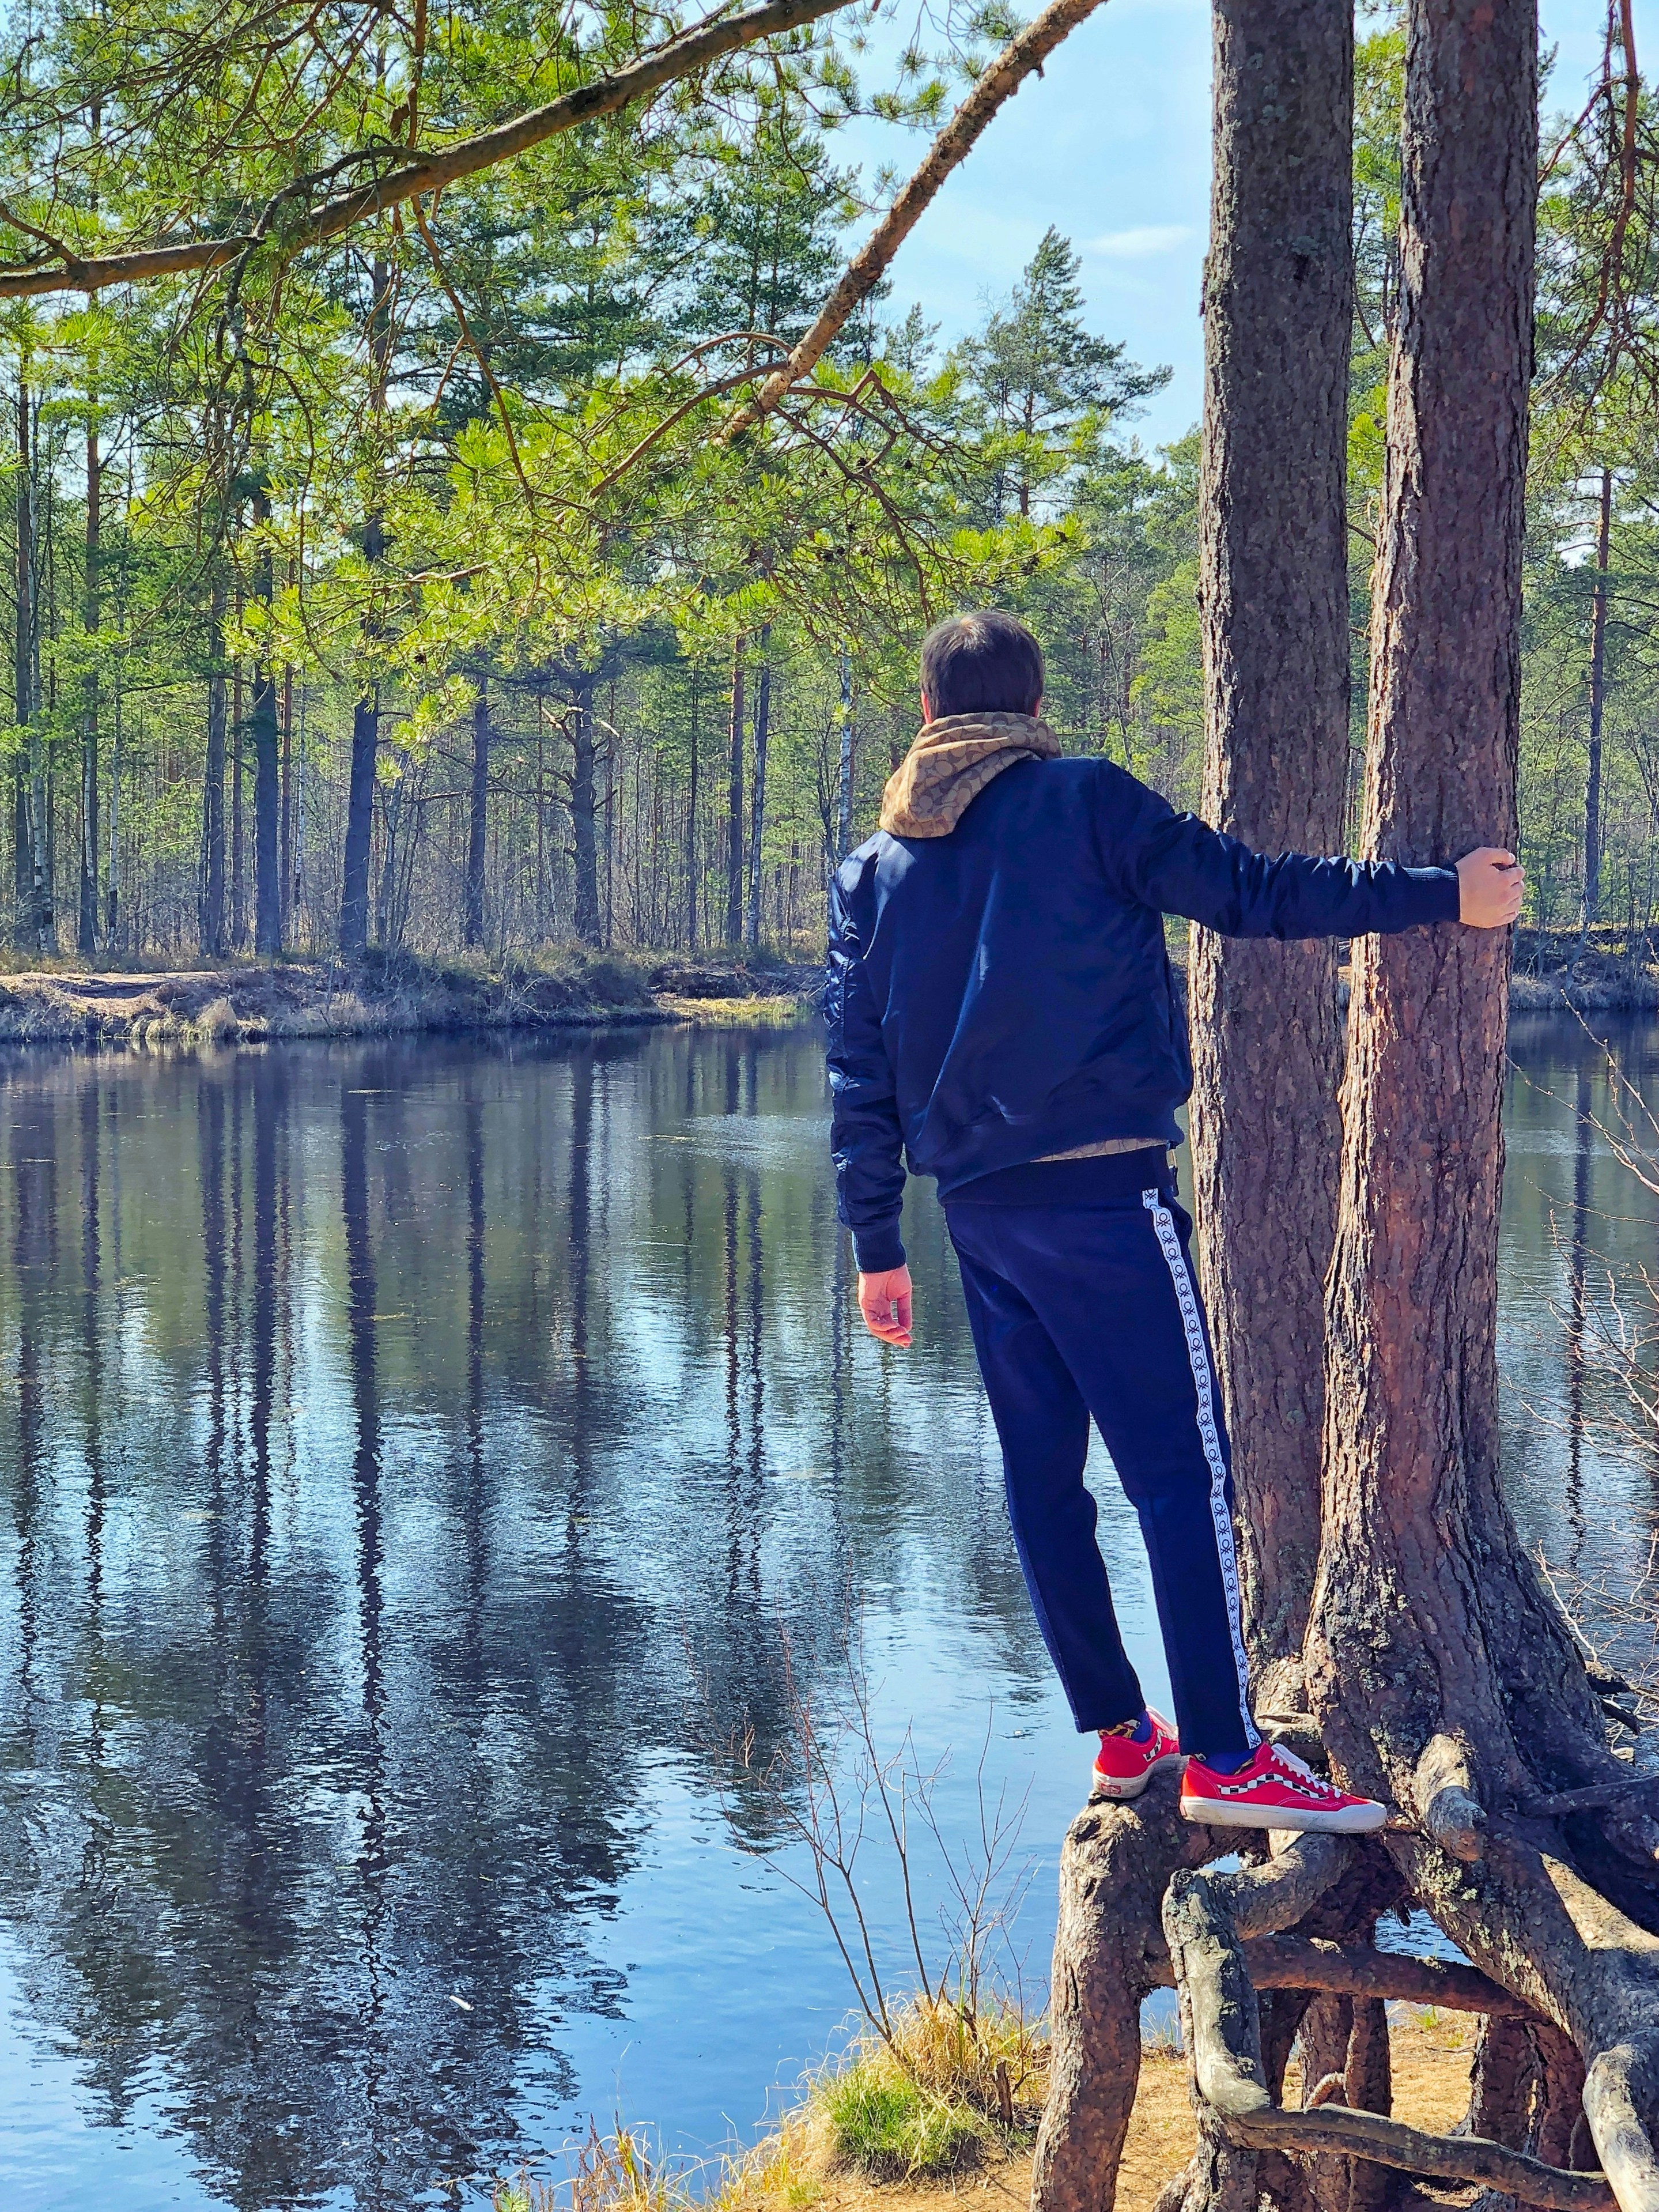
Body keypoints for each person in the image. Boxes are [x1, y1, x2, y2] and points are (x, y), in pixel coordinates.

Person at [823, 610, 1523, 1834]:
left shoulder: (872, 869)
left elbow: (856, 1070)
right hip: (1105, 1197)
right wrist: (1442, 894)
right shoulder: (1085, 800)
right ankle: (1225, 1754)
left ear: (929, 714)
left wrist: (876, 1244)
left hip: (978, 1217)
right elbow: (1251, 891)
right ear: (1032, 710)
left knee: (1044, 1479)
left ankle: (1120, 1735)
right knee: (1181, 1476)